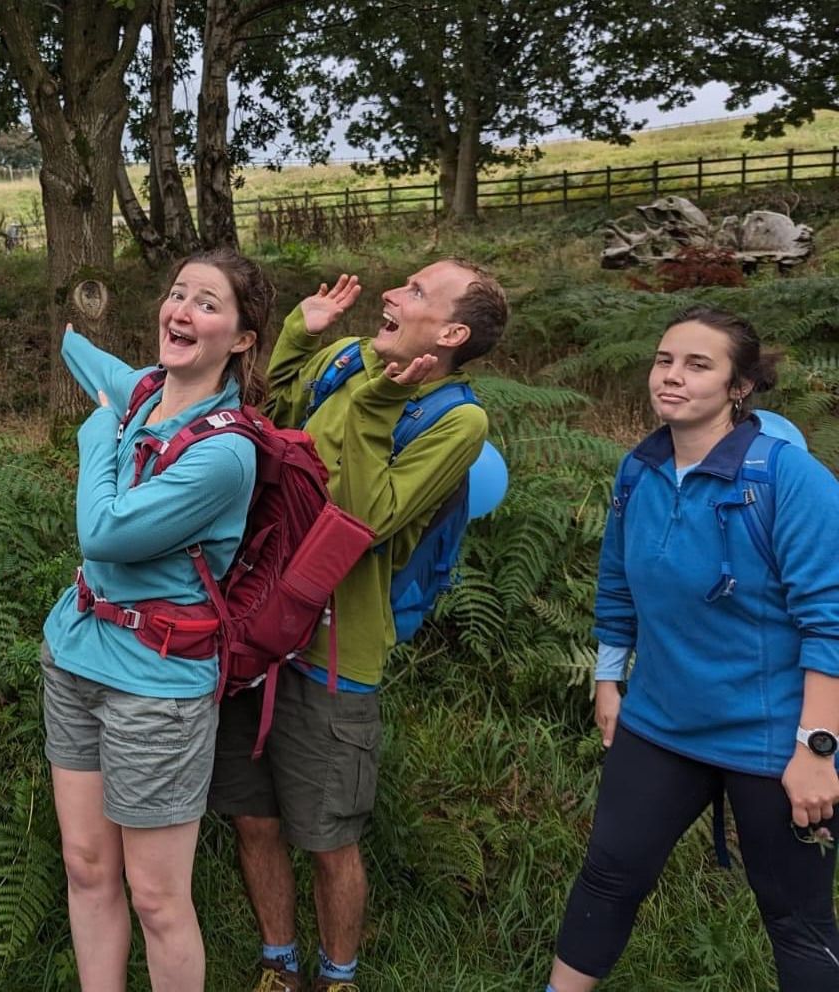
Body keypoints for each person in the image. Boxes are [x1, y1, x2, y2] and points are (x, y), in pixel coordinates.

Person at [209, 260, 509, 992]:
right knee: (253, 818)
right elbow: (274, 417)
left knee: (329, 837)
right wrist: (292, 337)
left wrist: (374, 407)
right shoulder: (352, 358)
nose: (390, 295)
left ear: (451, 332)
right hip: (255, 618)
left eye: (413, 293)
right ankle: (278, 966)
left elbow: (365, 520)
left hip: (334, 647)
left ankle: (337, 979)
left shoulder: (458, 421)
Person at [547, 307, 839, 991]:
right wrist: (609, 681)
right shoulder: (640, 470)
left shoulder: (790, 481)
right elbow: (617, 581)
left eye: (697, 365)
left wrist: (818, 747)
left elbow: (830, 619)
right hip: (660, 722)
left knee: (796, 919)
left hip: (774, 738)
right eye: (663, 360)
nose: (672, 377)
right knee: (608, 876)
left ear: (739, 386)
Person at [42, 247, 270, 991]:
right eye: (178, 295)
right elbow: (85, 354)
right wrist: (76, 311)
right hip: (75, 657)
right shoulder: (142, 390)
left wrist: (93, 440)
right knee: (85, 866)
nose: (182, 312)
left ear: (241, 337)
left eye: (208, 304)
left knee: (157, 897)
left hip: (156, 688)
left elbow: (104, 532)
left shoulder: (226, 452)